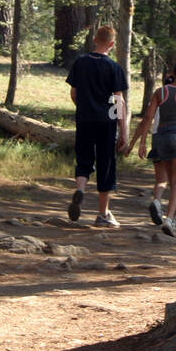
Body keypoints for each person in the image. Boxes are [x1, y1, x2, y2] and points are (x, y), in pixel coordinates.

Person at [126, 61, 176, 236]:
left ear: (172, 73)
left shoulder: (160, 92)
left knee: (170, 181)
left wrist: (142, 142)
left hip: (161, 137)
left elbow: (148, 117)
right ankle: (169, 219)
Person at [66, 26, 129, 227]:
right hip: (107, 122)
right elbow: (119, 101)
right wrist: (124, 132)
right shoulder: (114, 68)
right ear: (112, 44)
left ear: (95, 39)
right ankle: (103, 213)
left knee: (83, 158)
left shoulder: (80, 63)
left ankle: (81, 190)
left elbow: (74, 93)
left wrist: (84, 107)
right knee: (106, 164)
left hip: (84, 119)